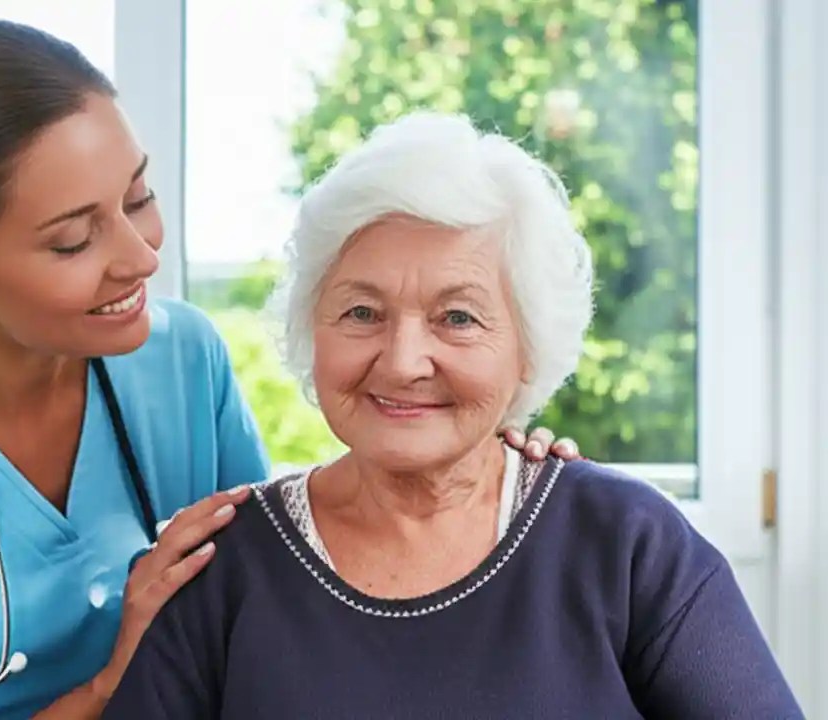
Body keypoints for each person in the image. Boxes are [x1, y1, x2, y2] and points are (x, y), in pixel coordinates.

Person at [0, 21, 580, 720]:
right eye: (74, 240)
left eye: (138, 198)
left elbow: (288, 585)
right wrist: (114, 682)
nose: (141, 255)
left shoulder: (181, 358)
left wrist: (473, 469)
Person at [104, 111, 802, 719]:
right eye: (361, 312)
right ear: (310, 327)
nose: (404, 360)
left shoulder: (626, 543)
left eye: (458, 317)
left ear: (528, 346)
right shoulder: (223, 566)